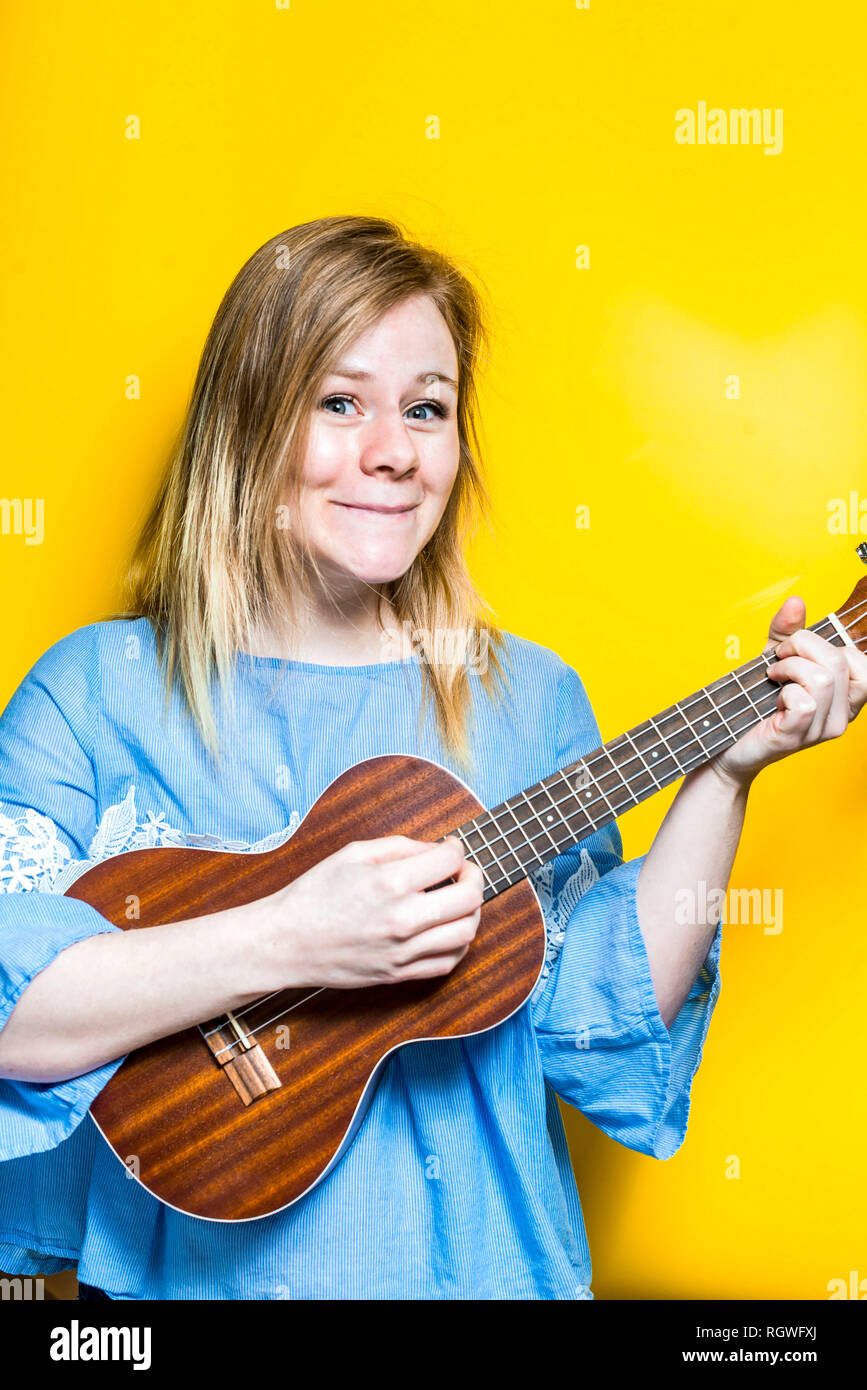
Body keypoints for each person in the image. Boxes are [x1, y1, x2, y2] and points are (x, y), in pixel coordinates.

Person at [0, 216, 864, 1301]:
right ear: (247, 422)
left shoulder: (529, 696)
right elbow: (14, 1013)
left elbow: (599, 1011)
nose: (394, 451)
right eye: (339, 401)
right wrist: (297, 934)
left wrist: (727, 774)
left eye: (427, 408)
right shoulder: (92, 693)